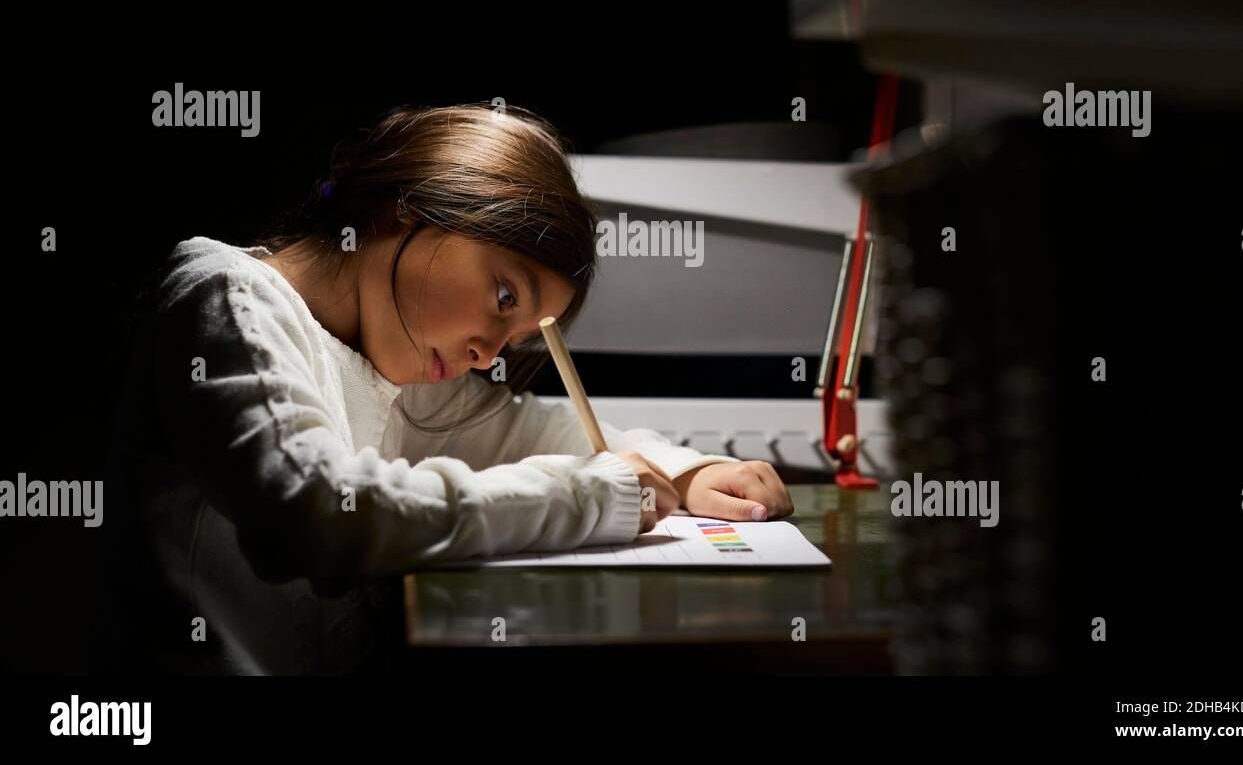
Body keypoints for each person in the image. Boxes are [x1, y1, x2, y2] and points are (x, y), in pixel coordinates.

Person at [99, 102, 793, 674]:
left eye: (517, 338)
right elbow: (316, 514)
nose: (489, 352)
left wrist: (689, 469)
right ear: (415, 207)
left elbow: (540, 429)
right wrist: (591, 494)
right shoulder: (224, 298)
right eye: (501, 295)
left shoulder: (391, 358)